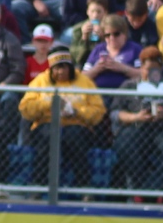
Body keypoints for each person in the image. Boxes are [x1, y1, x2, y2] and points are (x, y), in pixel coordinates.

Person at [20, 47, 103, 185]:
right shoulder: (40, 81)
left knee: (74, 138)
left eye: (65, 67)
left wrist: (77, 111)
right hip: (45, 123)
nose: (61, 72)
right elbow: (25, 108)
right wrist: (47, 104)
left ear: (70, 67)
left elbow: (98, 111)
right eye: (57, 68)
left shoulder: (85, 81)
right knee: (48, 137)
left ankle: (84, 188)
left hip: (77, 125)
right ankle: (38, 186)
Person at [115, 49, 163, 190]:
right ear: (141, 67)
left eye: (155, 69)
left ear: (161, 69)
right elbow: (115, 113)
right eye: (148, 69)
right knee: (123, 143)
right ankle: (147, 190)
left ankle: (149, 190)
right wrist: (136, 117)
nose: (151, 73)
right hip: (136, 127)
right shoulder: (129, 86)